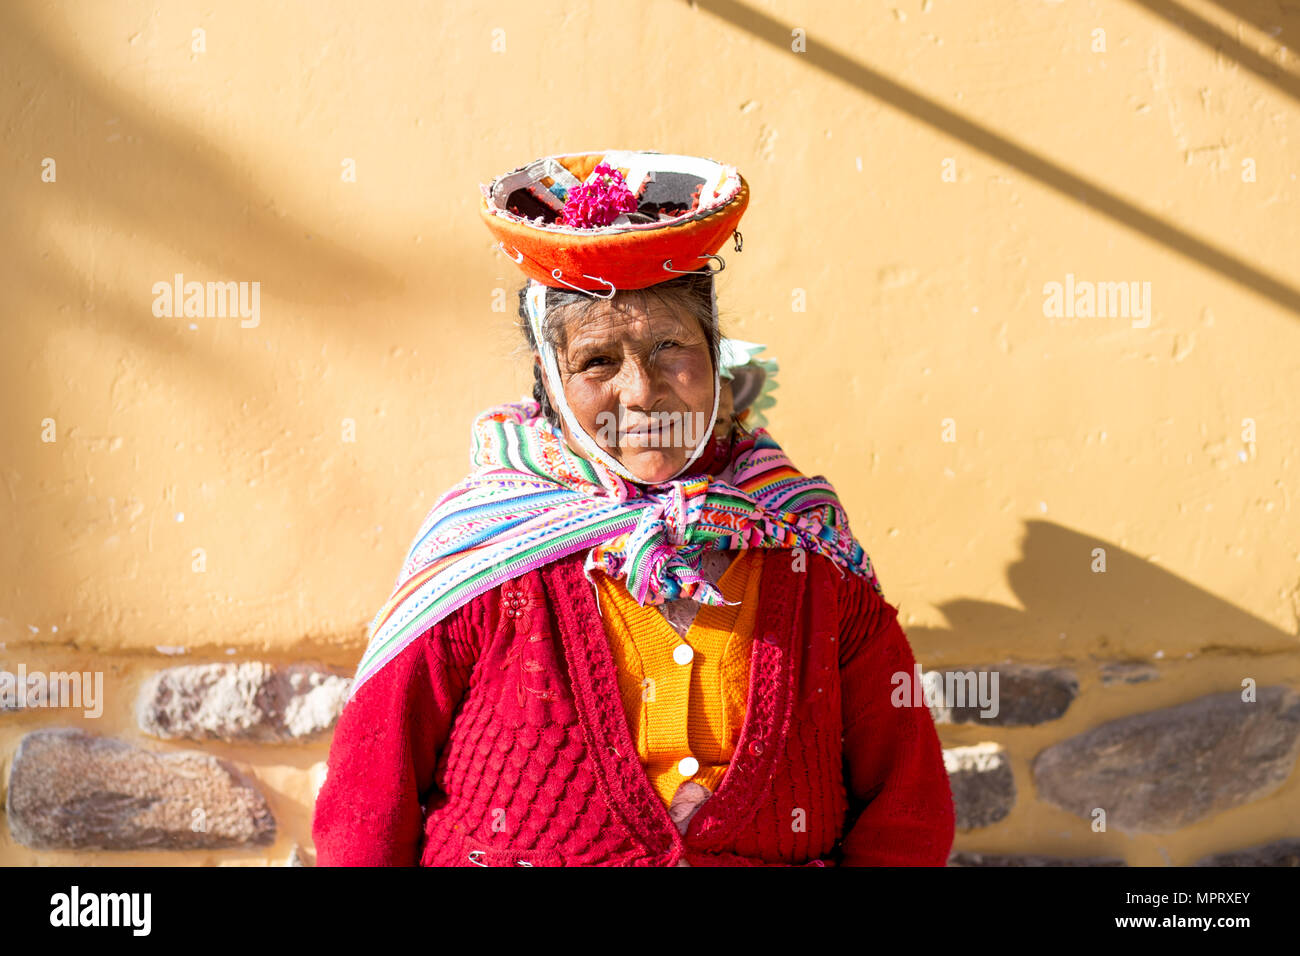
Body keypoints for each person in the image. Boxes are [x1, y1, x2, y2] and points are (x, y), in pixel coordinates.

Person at [312, 150, 955, 866]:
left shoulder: (804, 543)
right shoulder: (484, 550)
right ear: (549, 384)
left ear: (719, 363)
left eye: (671, 346)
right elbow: (367, 806)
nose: (642, 390)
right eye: (597, 362)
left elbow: (909, 809)